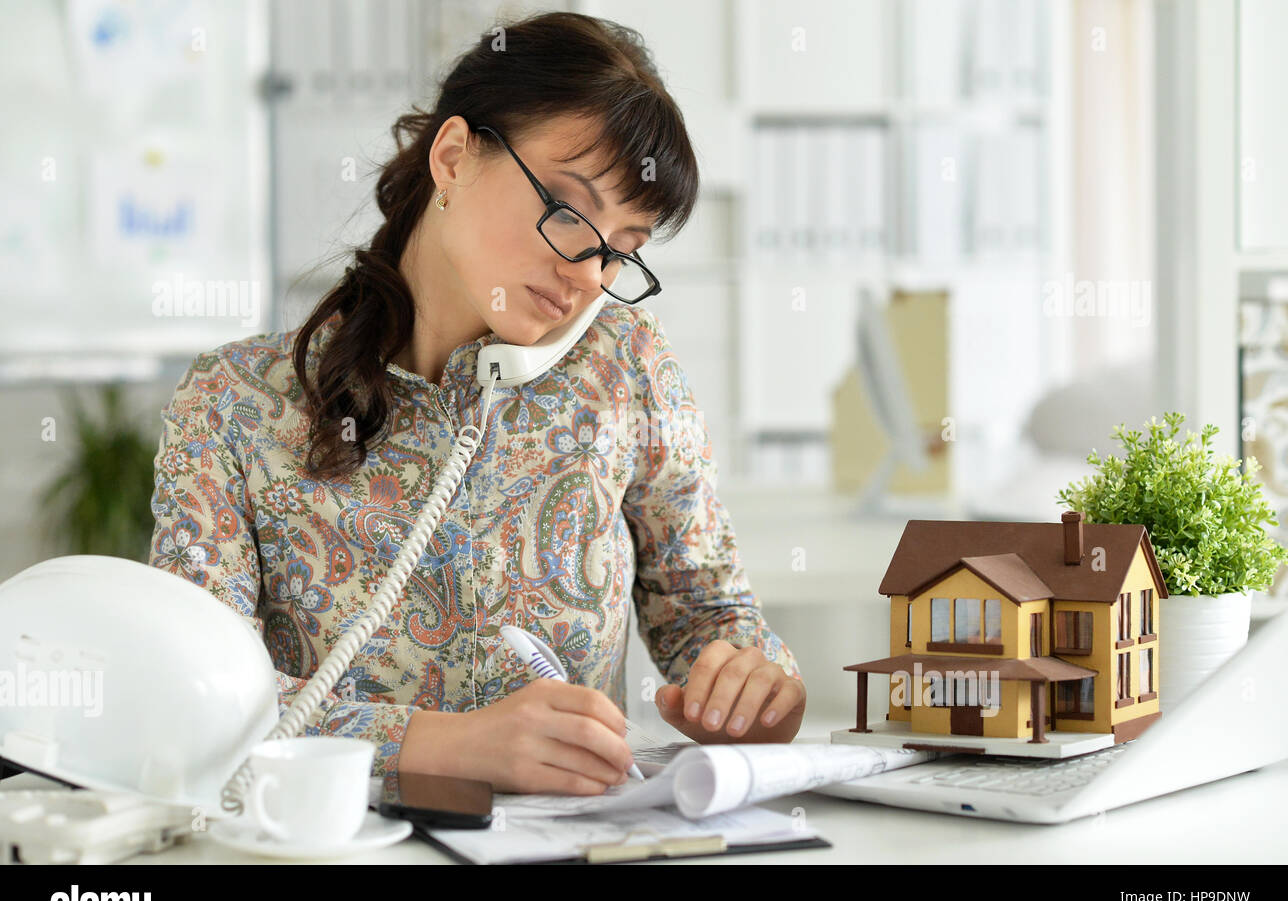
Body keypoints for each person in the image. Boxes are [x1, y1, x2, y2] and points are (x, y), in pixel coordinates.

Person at [147, 10, 804, 798]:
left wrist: (754, 684)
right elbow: (189, 693)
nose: (588, 275)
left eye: (620, 249)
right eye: (568, 210)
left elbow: (709, 614)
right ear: (454, 157)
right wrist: (450, 745)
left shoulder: (626, 368)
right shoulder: (230, 403)